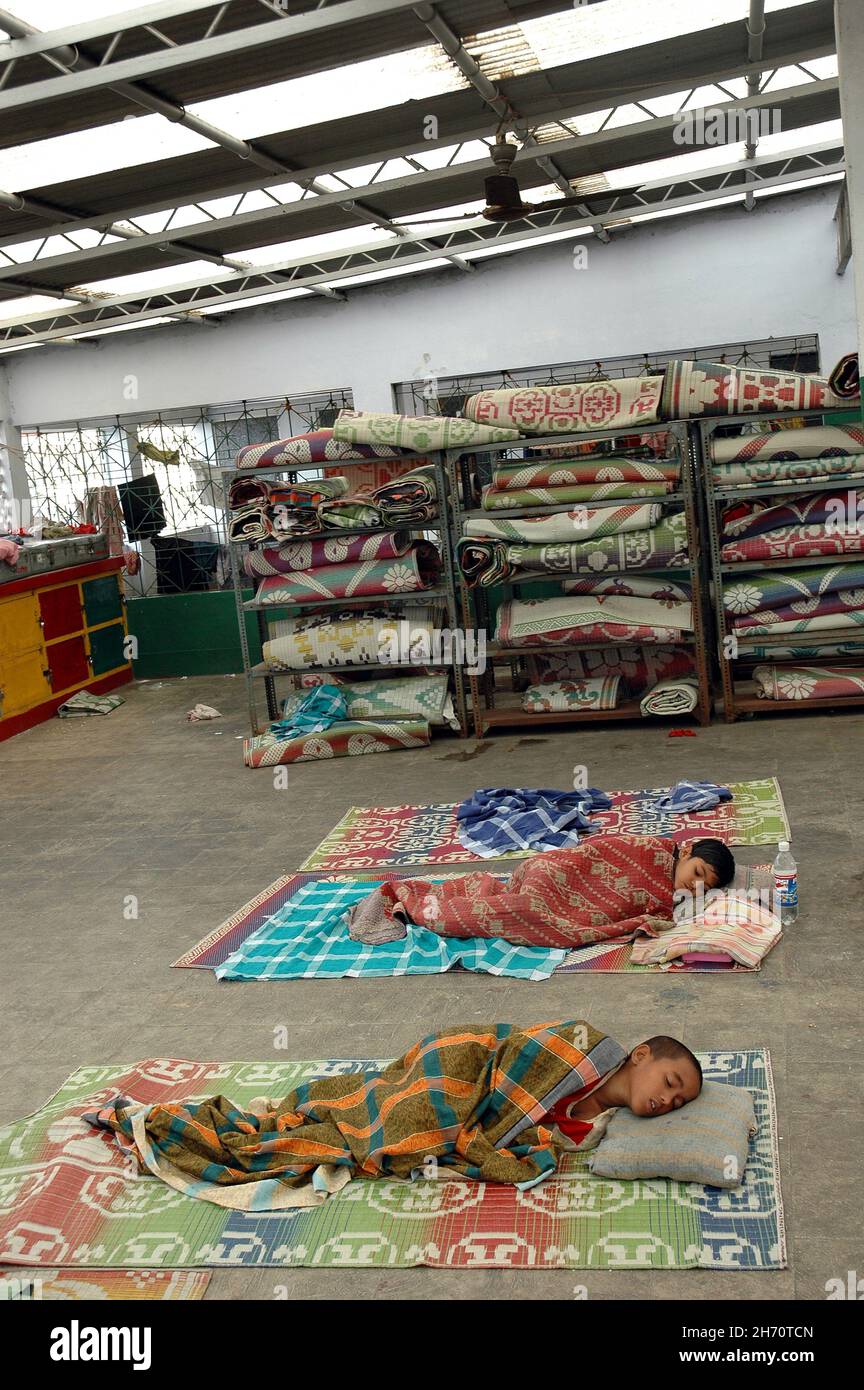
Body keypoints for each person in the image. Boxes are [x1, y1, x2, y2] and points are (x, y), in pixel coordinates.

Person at [349, 833, 736, 950]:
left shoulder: (670, 900)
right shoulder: (649, 850)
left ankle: (433, 907)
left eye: (706, 887)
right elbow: (592, 854)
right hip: (552, 875)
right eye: (698, 872)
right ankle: (417, 904)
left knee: (534, 917)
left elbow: (623, 911)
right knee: (525, 905)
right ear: (686, 851)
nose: (696, 885)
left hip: (565, 908)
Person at [544, 1034, 703, 1147]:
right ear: (640, 1056)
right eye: (669, 1082)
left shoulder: (593, 1129)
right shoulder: (589, 1051)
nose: (667, 1100)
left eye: (676, 1103)